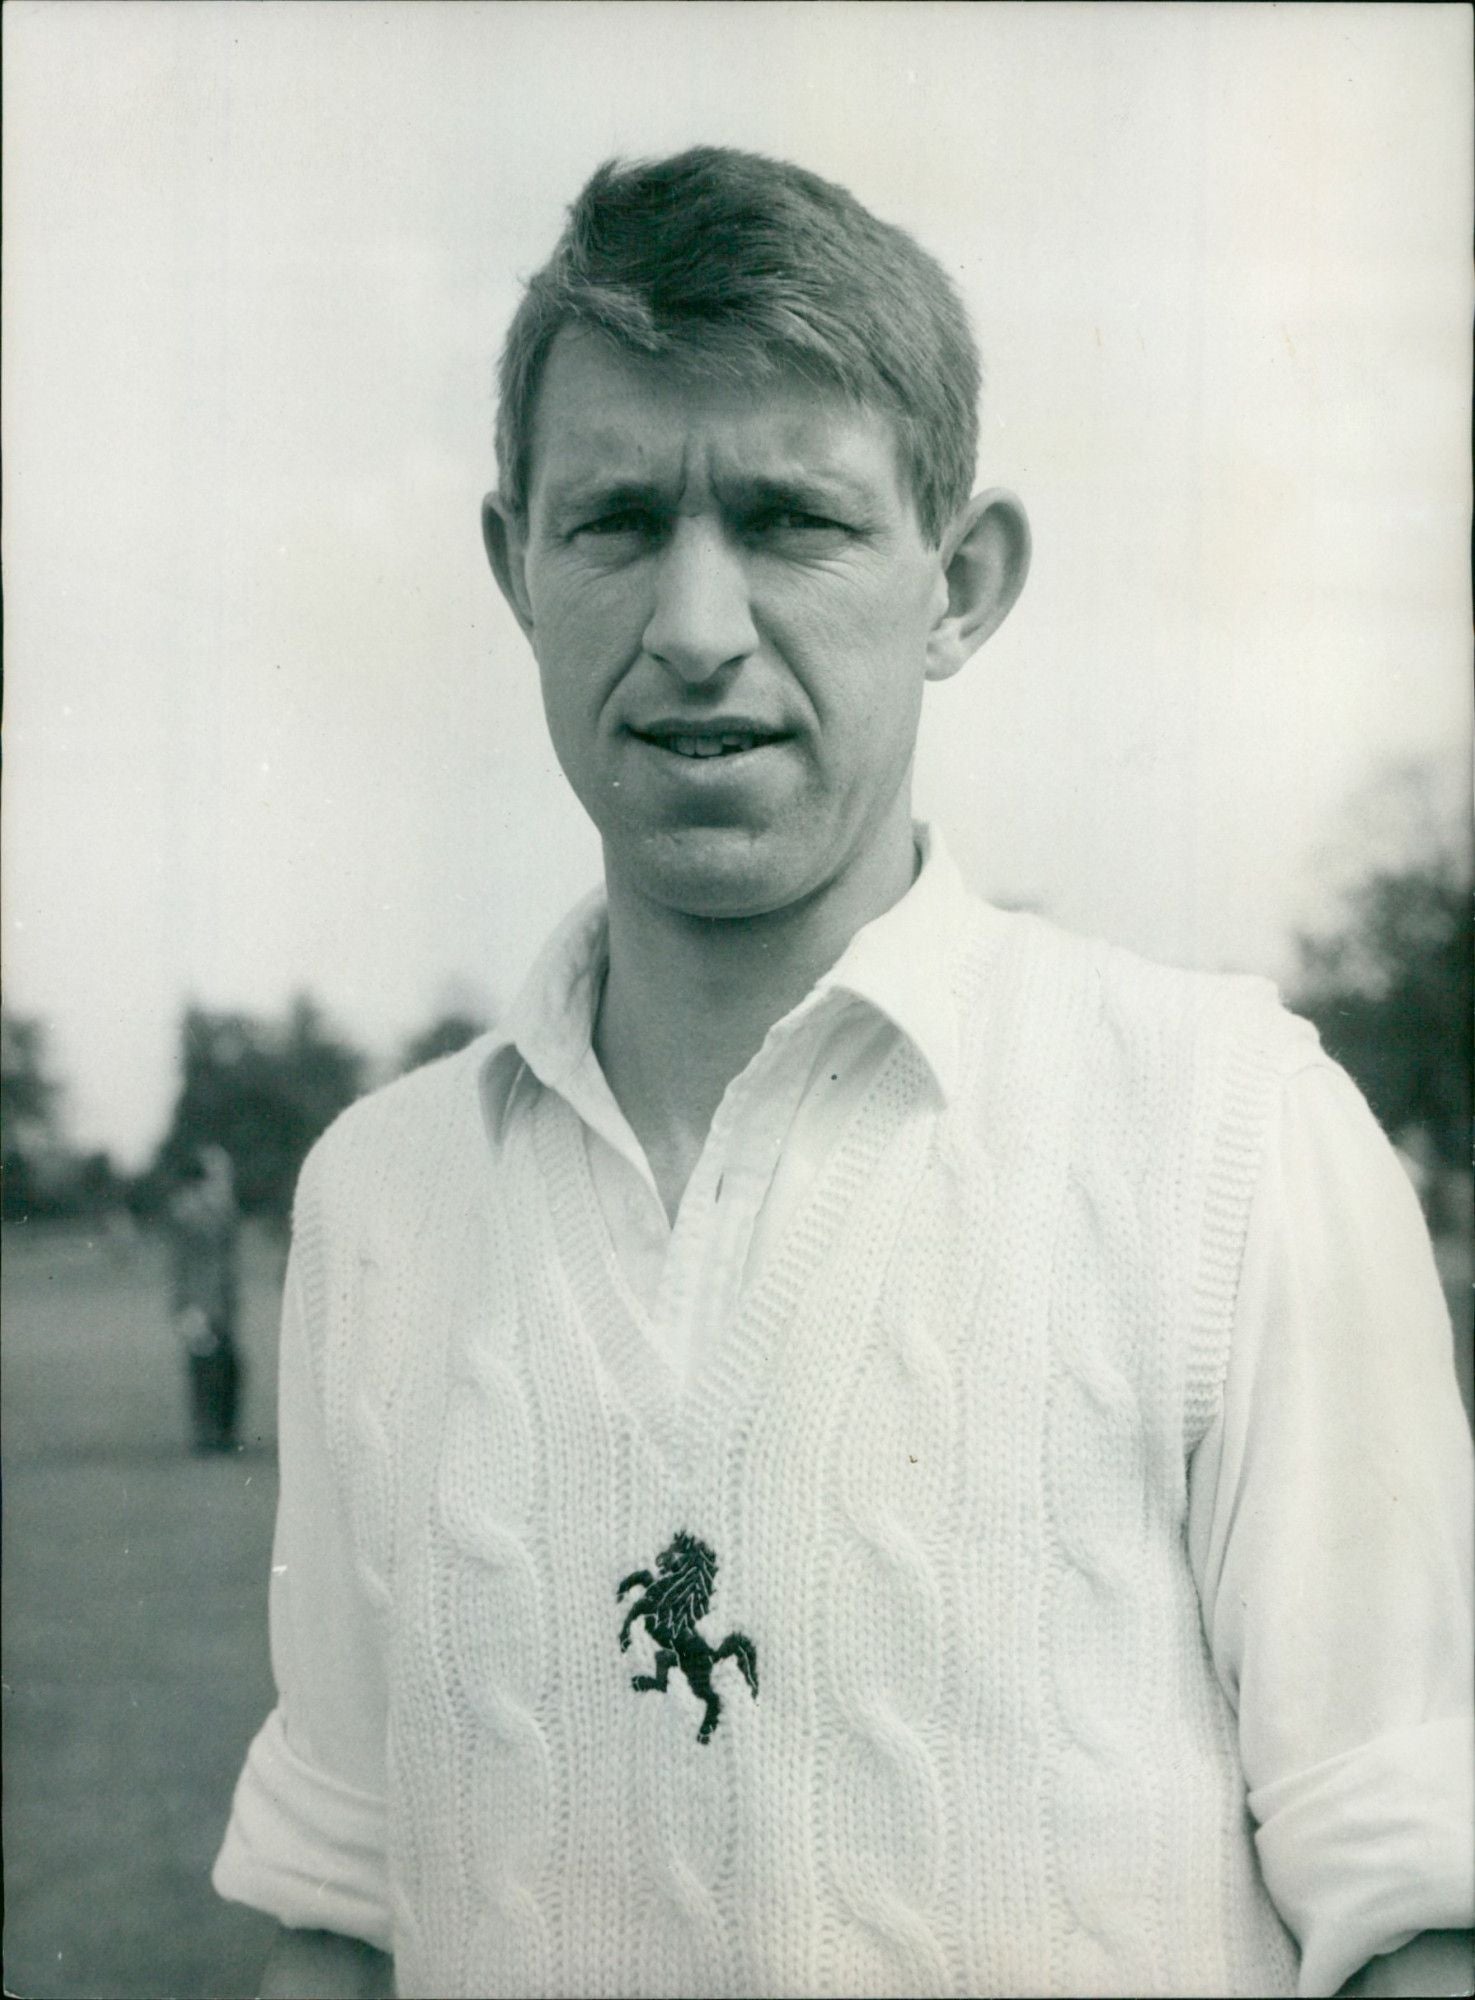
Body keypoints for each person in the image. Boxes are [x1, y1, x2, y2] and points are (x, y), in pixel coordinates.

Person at [212, 148, 1473, 1999]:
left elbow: (1416, 1896)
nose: (699, 625)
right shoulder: (379, 1197)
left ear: (960, 585)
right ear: (515, 566)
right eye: (619, 520)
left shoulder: (1233, 1132)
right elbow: (344, 1909)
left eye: (793, 521)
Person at [165, 1143, 242, 1453]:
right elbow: (183, 1262)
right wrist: (184, 1307)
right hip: (198, 1301)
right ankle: (208, 1436)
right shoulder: (188, 1208)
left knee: (228, 1368)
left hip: (221, 1301)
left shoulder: (221, 1205)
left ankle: (223, 1434)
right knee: (205, 1369)